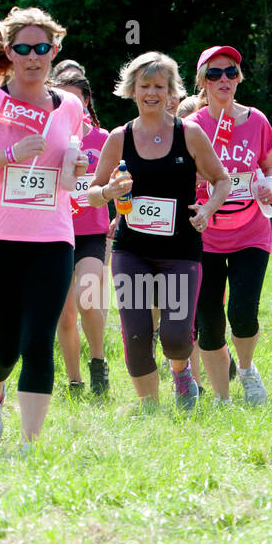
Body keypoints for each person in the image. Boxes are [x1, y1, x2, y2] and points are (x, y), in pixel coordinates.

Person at [0, 6, 88, 451]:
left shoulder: (71, 106)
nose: (33, 56)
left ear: (55, 51)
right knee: (4, 348)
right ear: (9, 52)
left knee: (38, 342)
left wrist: (77, 165)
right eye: (23, 48)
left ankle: (30, 444)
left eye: (42, 48)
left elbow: (71, 169)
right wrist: (9, 156)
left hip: (52, 238)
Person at [88, 51, 229, 410]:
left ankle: (182, 374)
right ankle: (151, 410)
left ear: (171, 93)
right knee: (135, 336)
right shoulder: (119, 137)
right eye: (145, 85)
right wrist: (108, 193)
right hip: (131, 250)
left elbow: (222, 180)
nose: (152, 93)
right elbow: (91, 192)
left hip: (180, 249)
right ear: (132, 90)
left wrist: (208, 208)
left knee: (176, 336)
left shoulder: (190, 134)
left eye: (160, 86)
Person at [185, 45, 272, 406]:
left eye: (231, 72)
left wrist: (268, 187)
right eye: (214, 73)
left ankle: (246, 369)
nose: (223, 79)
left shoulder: (257, 121)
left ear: (239, 78)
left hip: (250, 233)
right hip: (204, 236)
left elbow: (269, 166)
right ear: (202, 81)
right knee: (208, 322)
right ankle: (222, 399)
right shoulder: (192, 127)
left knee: (242, 313)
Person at [50, 60, 113, 396]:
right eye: (60, 98)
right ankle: (74, 381)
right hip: (55, 231)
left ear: (86, 102)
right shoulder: (48, 139)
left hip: (91, 232)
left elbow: (123, 183)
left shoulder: (104, 139)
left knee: (89, 298)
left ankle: (98, 362)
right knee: (64, 314)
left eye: (75, 99)